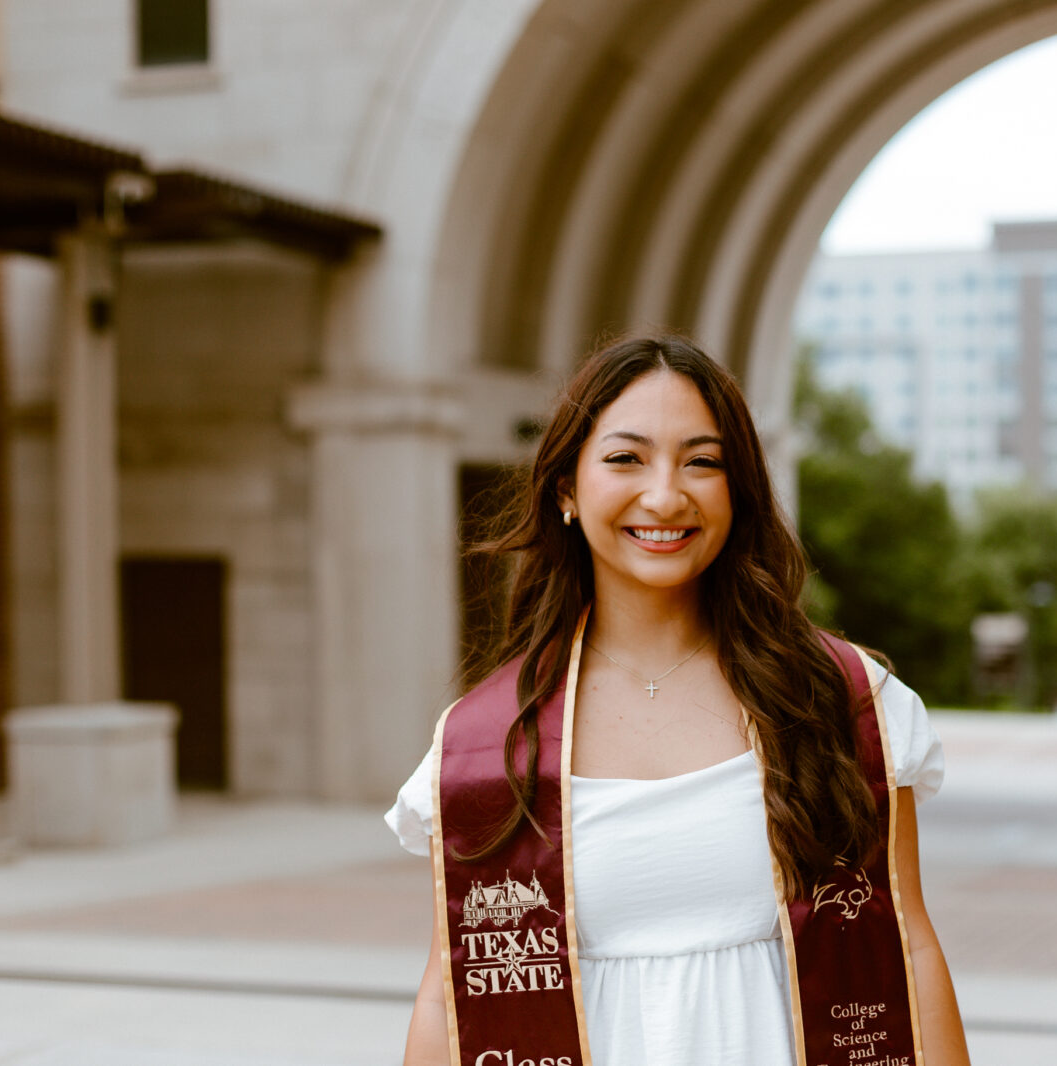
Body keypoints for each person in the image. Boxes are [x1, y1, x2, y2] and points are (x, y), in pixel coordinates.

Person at [389, 332, 970, 1066]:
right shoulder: (485, 745)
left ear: (740, 490)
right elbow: (451, 995)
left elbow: (907, 947)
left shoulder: (841, 702)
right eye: (625, 458)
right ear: (566, 488)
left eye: (702, 462)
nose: (665, 495)